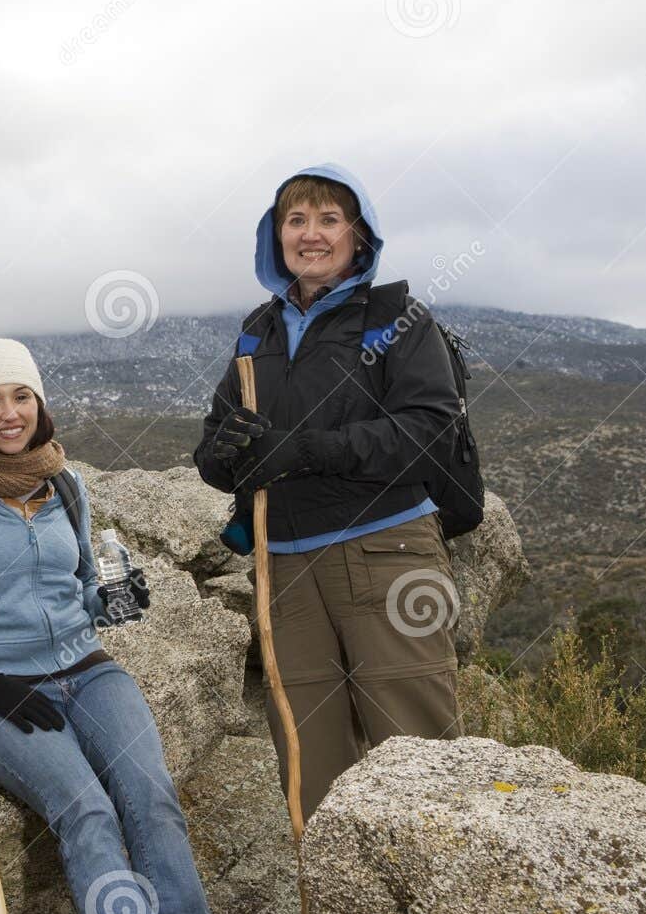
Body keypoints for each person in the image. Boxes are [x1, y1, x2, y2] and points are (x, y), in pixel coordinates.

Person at [0, 338, 219, 914]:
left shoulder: (61, 480)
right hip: (1, 689)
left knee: (151, 799)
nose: (9, 413)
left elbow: (77, 588)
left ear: (39, 404)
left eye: (21, 396)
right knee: (87, 811)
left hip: (89, 670)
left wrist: (112, 603)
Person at [194, 164, 464, 821]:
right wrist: (218, 457)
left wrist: (310, 449)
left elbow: (430, 430)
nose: (310, 234)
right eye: (296, 220)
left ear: (358, 234)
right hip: (284, 572)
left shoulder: (396, 317)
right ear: (275, 236)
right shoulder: (256, 333)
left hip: (385, 553)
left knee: (420, 764)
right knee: (310, 776)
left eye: (328, 219)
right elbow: (220, 446)